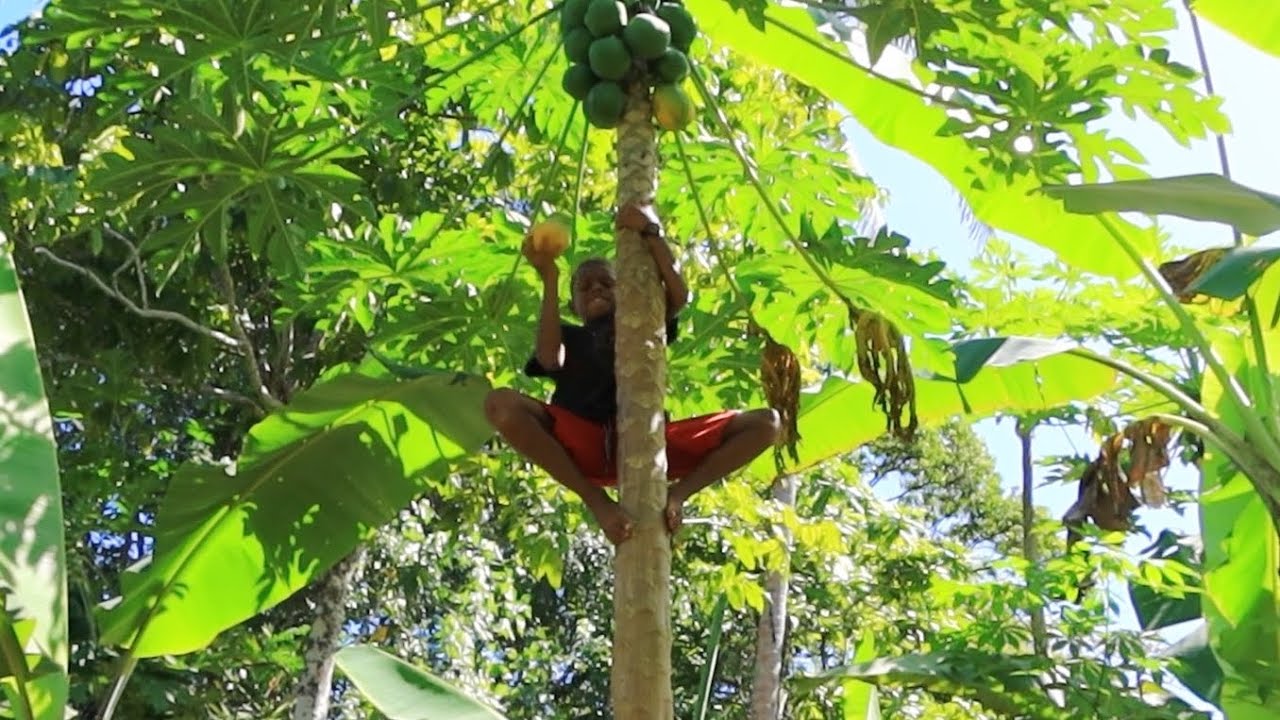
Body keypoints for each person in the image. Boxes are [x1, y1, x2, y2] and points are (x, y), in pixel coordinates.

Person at [484, 202, 780, 545]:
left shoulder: (643, 319)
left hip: (651, 442)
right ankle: (596, 501)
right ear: (573, 306)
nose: (595, 288)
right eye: (584, 286)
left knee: (766, 424)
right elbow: (550, 358)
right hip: (584, 443)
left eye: (605, 283)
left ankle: (678, 495)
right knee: (500, 405)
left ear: (621, 290)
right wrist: (549, 277)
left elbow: (679, 295)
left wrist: (652, 232)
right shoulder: (569, 335)